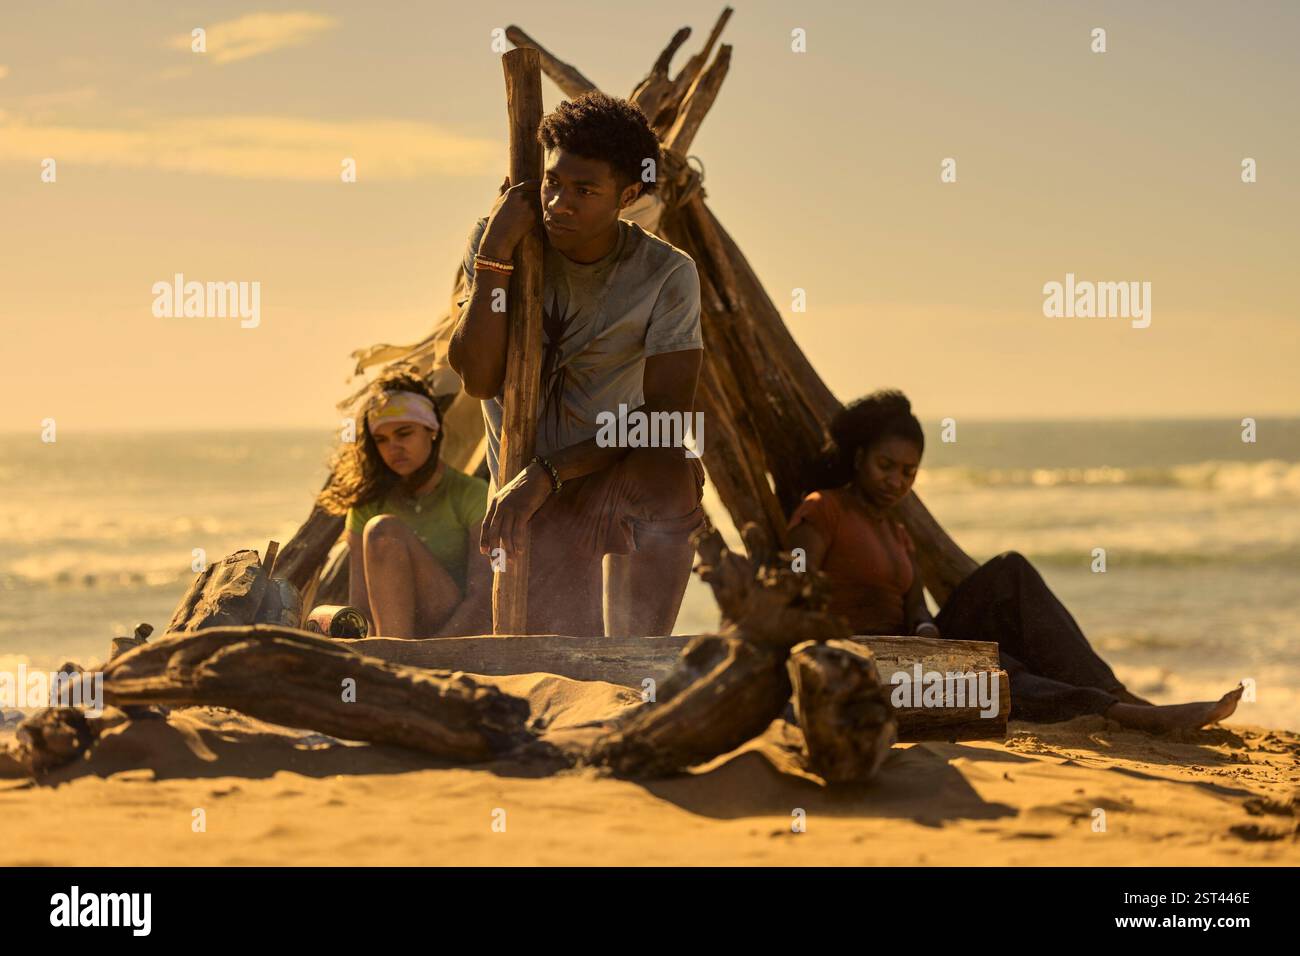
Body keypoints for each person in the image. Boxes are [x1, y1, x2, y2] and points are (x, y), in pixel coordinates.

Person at [786, 389, 1244, 732]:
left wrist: (927, 631)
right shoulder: (823, 509)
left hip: (914, 649)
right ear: (860, 456)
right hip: (863, 664)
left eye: (908, 473)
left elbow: (916, 608)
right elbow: (790, 590)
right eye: (886, 466)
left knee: (1011, 571)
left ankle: (1119, 694)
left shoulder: (896, 532)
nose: (895, 481)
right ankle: (1120, 713)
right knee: (993, 670)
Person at [448, 91, 706, 636]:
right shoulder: (506, 244)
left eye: (584, 190)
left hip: (597, 480)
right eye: (552, 182)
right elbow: (478, 379)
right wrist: (494, 256)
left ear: (627, 194)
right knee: (560, 656)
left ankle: (640, 658)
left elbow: (666, 418)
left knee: (672, 472)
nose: (559, 203)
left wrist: (550, 473)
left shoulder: (664, 274)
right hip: (521, 498)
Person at [316, 366, 492, 637]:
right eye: (382, 439)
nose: (393, 447)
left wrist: (433, 653)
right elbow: (361, 607)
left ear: (431, 430)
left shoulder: (471, 494)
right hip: (393, 635)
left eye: (404, 433)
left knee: (385, 531)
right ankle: (394, 655)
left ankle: (396, 657)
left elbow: (483, 601)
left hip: (455, 633)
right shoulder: (367, 505)